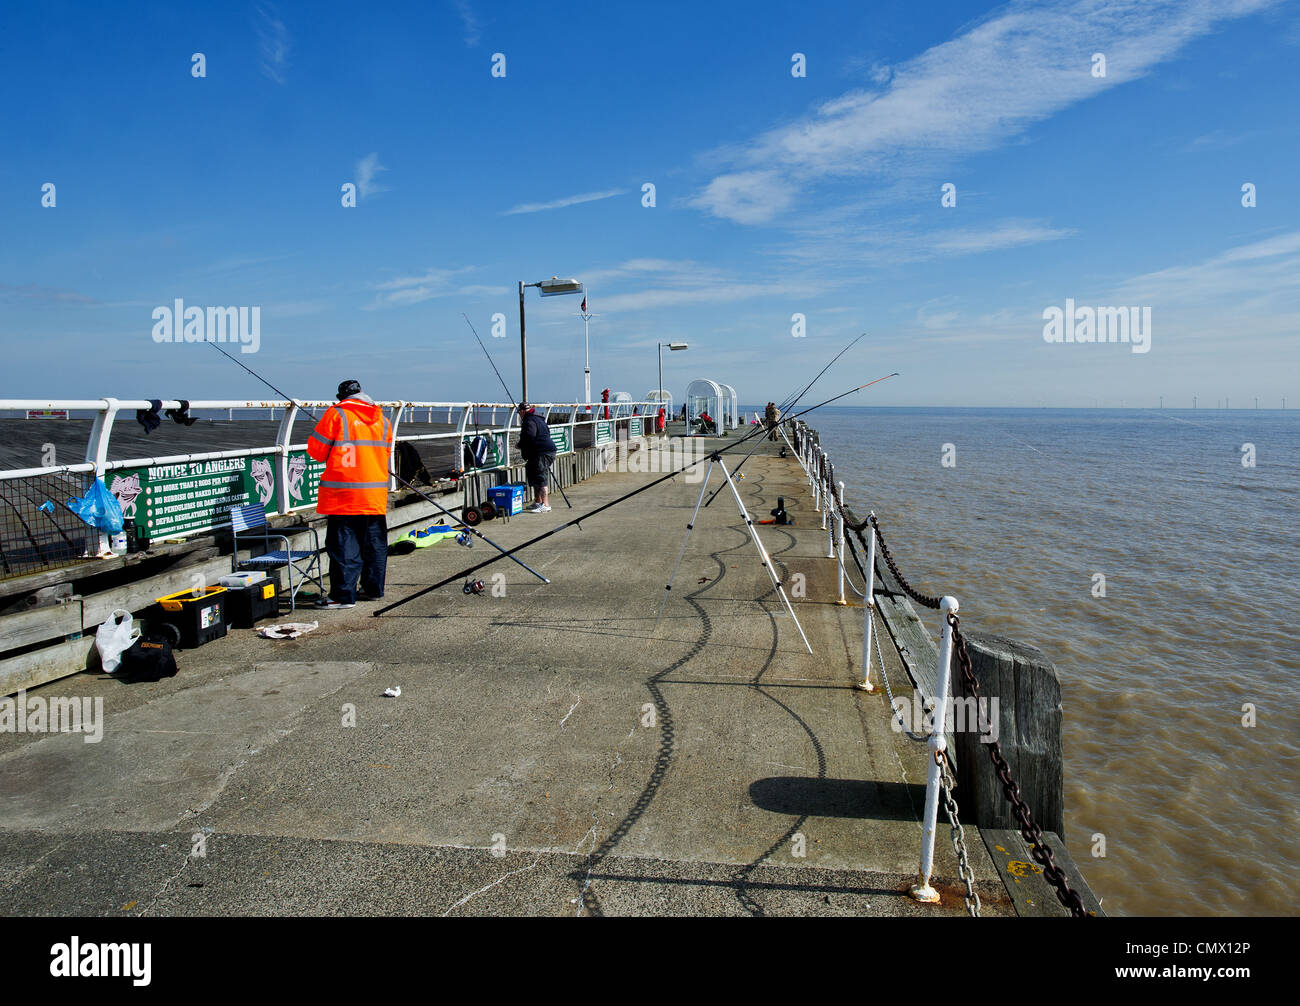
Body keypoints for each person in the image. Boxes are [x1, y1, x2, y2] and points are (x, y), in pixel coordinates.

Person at [307, 379, 392, 609]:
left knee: (344, 546)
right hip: (374, 495)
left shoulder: (336, 414)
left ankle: (342, 596)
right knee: (374, 545)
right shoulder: (382, 420)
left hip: (344, 494)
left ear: (342, 397)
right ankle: (373, 589)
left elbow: (316, 451)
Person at [517, 402, 556, 513]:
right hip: (542, 451)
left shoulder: (529, 421)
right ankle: (538, 502)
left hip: (543, 452)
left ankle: (545, 504)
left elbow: (530, 436)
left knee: (540, 476)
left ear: (523, 411)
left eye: (519, 412)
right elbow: (546, 432)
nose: (519, 414)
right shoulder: (539, 419)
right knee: (532, 471)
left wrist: (520, 445)